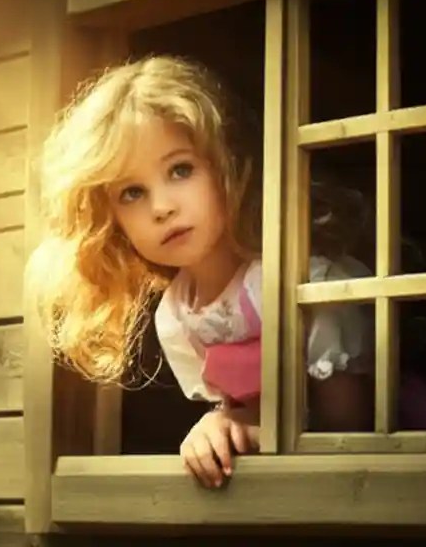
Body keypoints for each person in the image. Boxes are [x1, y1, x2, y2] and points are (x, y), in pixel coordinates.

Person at [25, 55, 377, 489]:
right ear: (109, 218)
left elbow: (349, 426)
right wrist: (216, 428)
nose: (161, 207)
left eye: (181, 170)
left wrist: (263, 436)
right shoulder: (176, 315)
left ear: (227, 165)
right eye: (132, 192)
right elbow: (236, 413)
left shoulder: (298, 281)